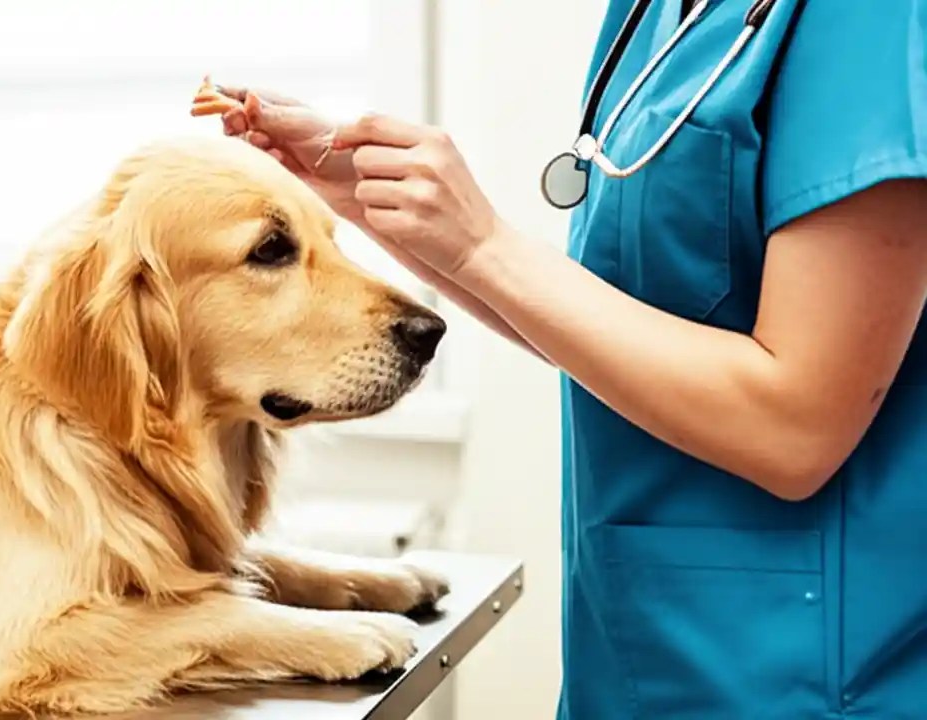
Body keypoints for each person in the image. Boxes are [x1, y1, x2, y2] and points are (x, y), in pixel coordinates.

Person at [215, 1, 927, 717]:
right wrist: (368, 201)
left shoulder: (869, 22)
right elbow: (612, 331)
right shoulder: (649, 15)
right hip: (629, 658)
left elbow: (796, 425)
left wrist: (483, 244)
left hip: (796, 675)